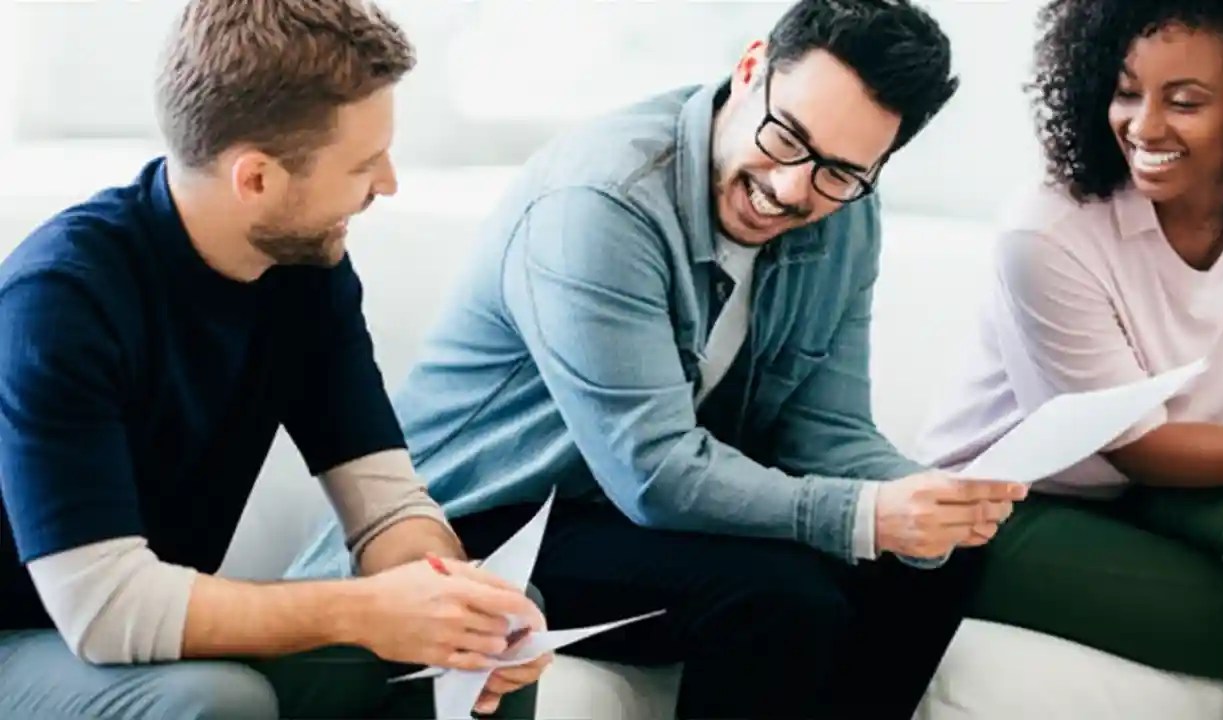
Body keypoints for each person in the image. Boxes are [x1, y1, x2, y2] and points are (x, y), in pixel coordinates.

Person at [287, 1, 1030, 717]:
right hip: (497, 517)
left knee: (938, 562)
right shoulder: (603, 199)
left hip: (631, 523)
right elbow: (654, 471)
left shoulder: (847, 215)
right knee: (779, 596)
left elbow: (824, 429)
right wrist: (866, 514)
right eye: (784, 138)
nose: (790, 187)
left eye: (840, 171)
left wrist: (929, 500)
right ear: (750, 69)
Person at [0, 1, 552, 718]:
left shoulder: (307, 269)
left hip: (137, 637)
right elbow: (106, 610)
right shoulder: (59, 303)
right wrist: (366, 610)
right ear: (255, 178)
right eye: (362, 162)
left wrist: (442, 590)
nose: (387, 182)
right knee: (216, 701)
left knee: (486, 628)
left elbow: (386, 506)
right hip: (34, 635)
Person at [912, 0, 1223, 717]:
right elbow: (1142, 449)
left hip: (1165, 500)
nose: (1143, 126)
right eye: (1126, 91)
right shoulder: (1047, 231)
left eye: (1185, 101)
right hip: (1003, 510)